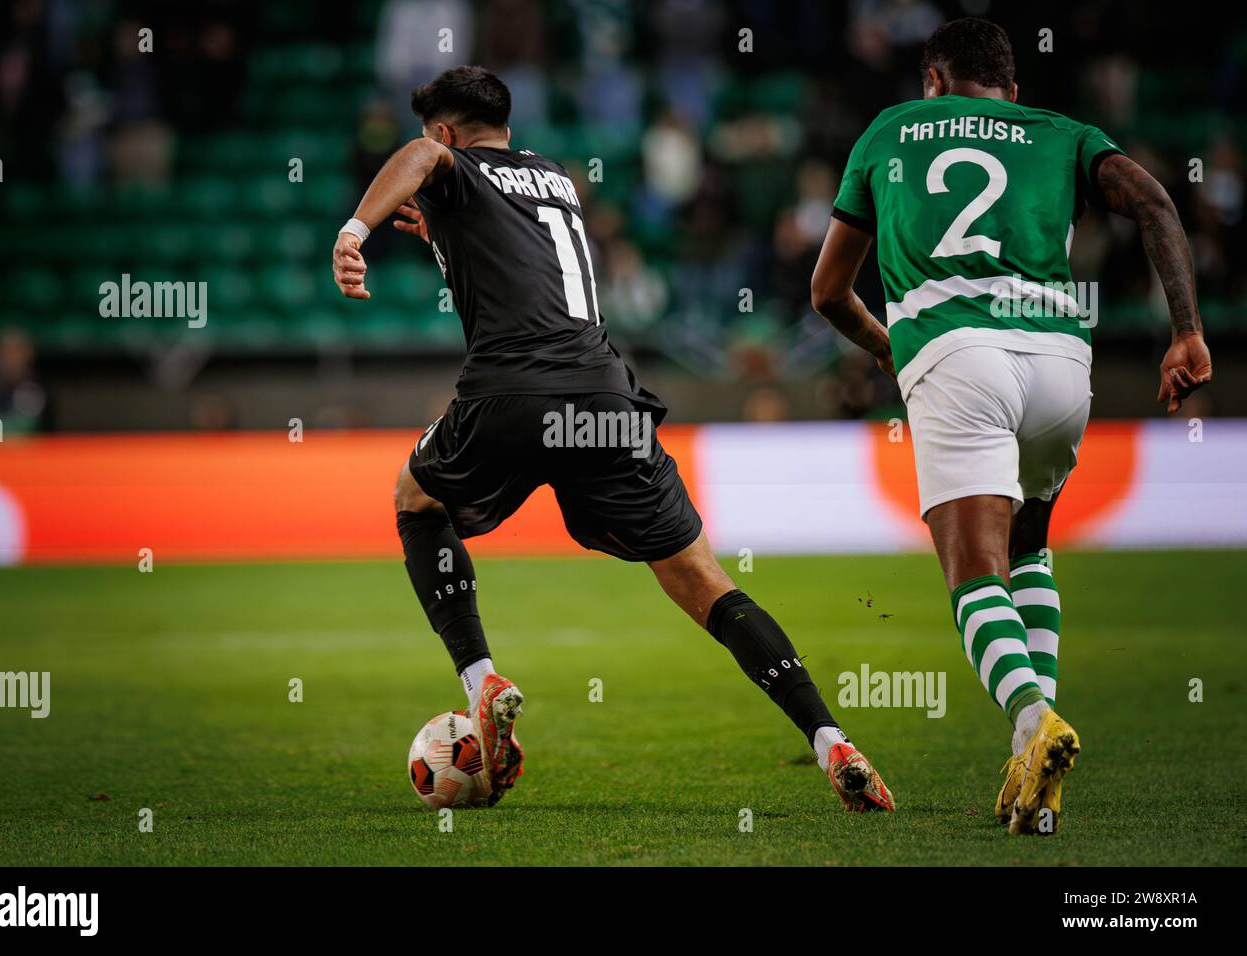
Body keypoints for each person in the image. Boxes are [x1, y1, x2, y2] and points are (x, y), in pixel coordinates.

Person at [333, 65, 894, 812]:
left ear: (444, 132)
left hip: (510, 393)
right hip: (603, 399)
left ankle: (480, 682)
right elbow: (512, 244)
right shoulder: (555, 179)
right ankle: (831, 740)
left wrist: (355, 229)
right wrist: (445, 227)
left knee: (415, 496)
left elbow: (422, 161)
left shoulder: (444, 160)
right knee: (702, 579)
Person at [811, 18, 1212, 834]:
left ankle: (1033, 719)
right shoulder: (1064, 133)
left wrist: (893, 347)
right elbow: (1157, 204)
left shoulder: (889, 130)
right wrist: (1187, 331)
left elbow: (827, 291)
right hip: (1063, 362)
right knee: (1029, 547)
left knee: (973, 571)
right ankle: (1037, 778)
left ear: (932, 78)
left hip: (957, 354)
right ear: (1012, 91)